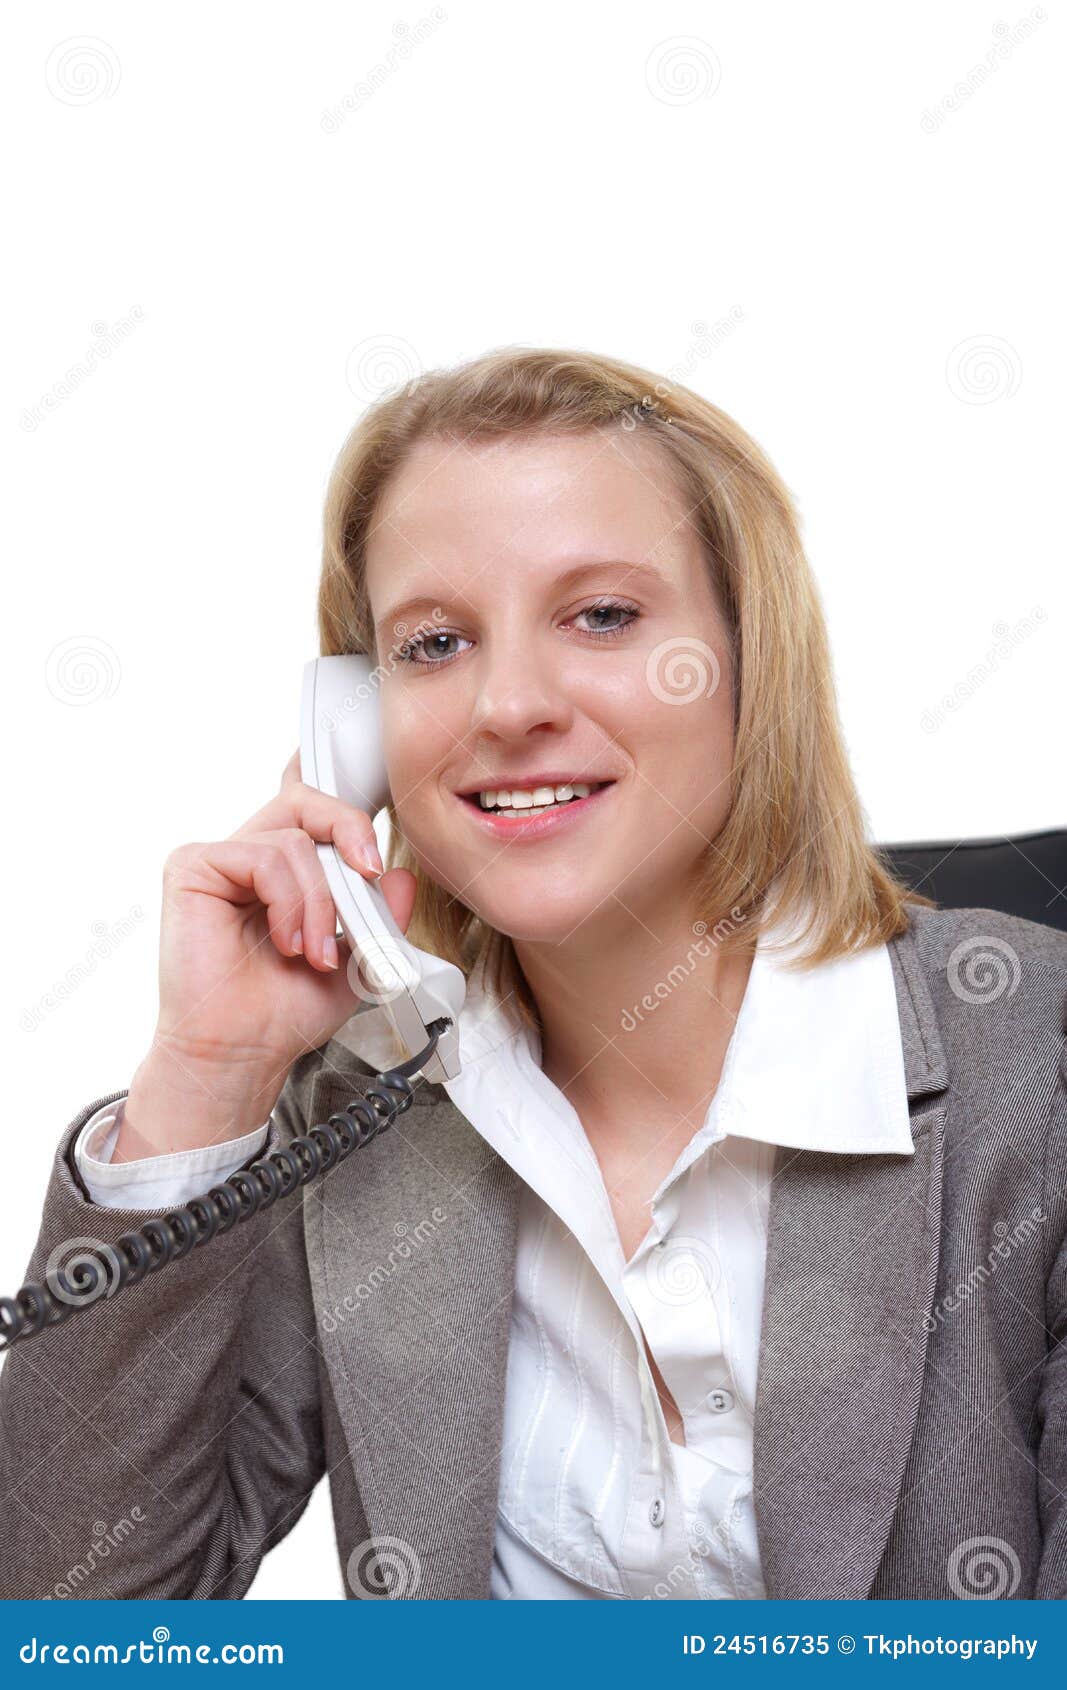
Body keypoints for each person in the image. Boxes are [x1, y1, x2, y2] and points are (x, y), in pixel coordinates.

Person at [1, 346, 1064, 1602]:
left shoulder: (1030, 1062)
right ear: (350, 721)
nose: (505, 704)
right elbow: (74, 1628)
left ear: (747, 658)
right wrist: (207, 1077)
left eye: (603, 616)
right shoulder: (357, 1113)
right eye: (434, 642)